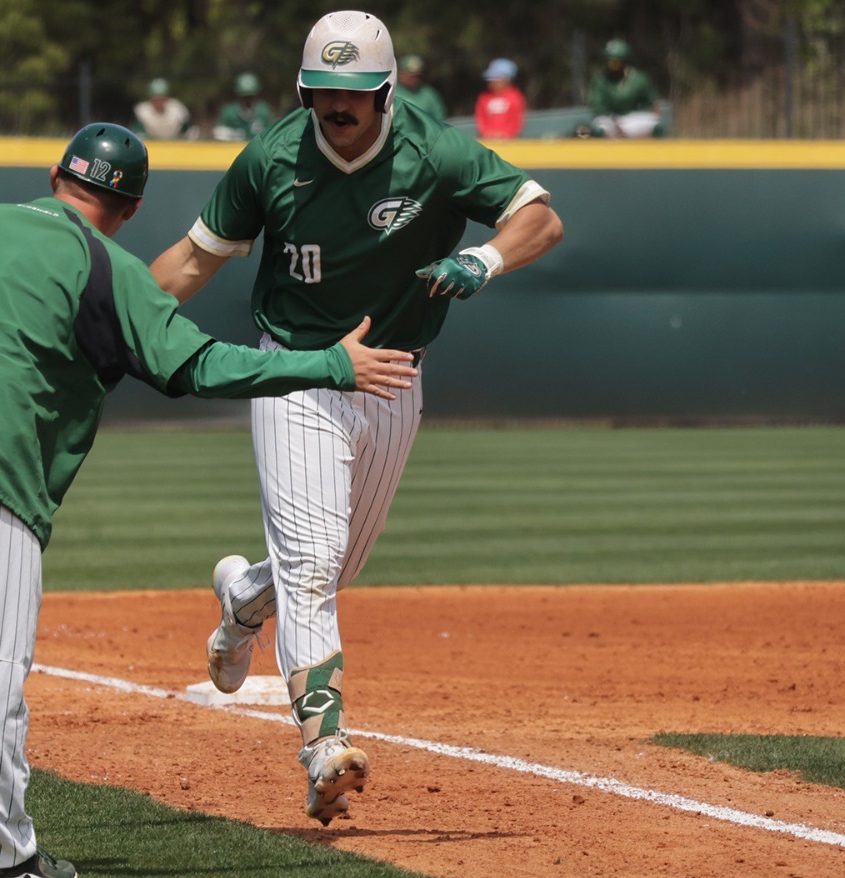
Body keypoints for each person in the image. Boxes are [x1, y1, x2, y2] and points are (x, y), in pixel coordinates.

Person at [0, 122, 419, 878]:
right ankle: (8, 859)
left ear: (54, 175)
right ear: (130, 208)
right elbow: (196, 364)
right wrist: (329, 362)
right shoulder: (107, 262)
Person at [148, 10, 563, 827]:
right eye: (323, 93)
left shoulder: (435, 151)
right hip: (295, 369)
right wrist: (109, 317)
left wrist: (484, 256)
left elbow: (539, 216)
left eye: (355, 95)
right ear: (304, 89)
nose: (338, 109)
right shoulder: (272, 157)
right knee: (311, 564)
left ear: (386, 91)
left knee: (333, 566)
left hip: (392, 376)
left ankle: (241, 601)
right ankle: (322, 743)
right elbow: (194, 260)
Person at [586, 39, 665, 138]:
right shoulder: (600, 79)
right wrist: (614, 122)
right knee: (600, 129)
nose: (611, 65)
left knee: (655, 126)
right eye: (609, 61)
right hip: (609, 120)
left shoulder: (639, 78)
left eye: (615, 62)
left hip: (631, 119)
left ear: (624, 62)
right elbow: (598, 106)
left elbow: (653, 103)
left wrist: (655, 117)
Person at [213, 72, 276, 141]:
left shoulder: (264, 111)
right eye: (245, 96)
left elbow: (272, 134)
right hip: (233, 149)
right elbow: (220, 134)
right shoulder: (229, 111)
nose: (248, 100)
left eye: (251, 96)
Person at [475, 57, 526, 139]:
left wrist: (505, 134)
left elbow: (516, 121)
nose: (491, 82)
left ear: (506, 79)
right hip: (487, 140)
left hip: (509, 142)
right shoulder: (484, 97)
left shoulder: (515, 97)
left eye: (495, 78)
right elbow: (480, 119)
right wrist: (486, 133)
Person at [394, 54, 446, 122]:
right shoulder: (392, 93)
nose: (414, 79)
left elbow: (439, 119)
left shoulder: (429, 95)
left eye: (417, 76)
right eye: (411, 75)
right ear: (401, 74)